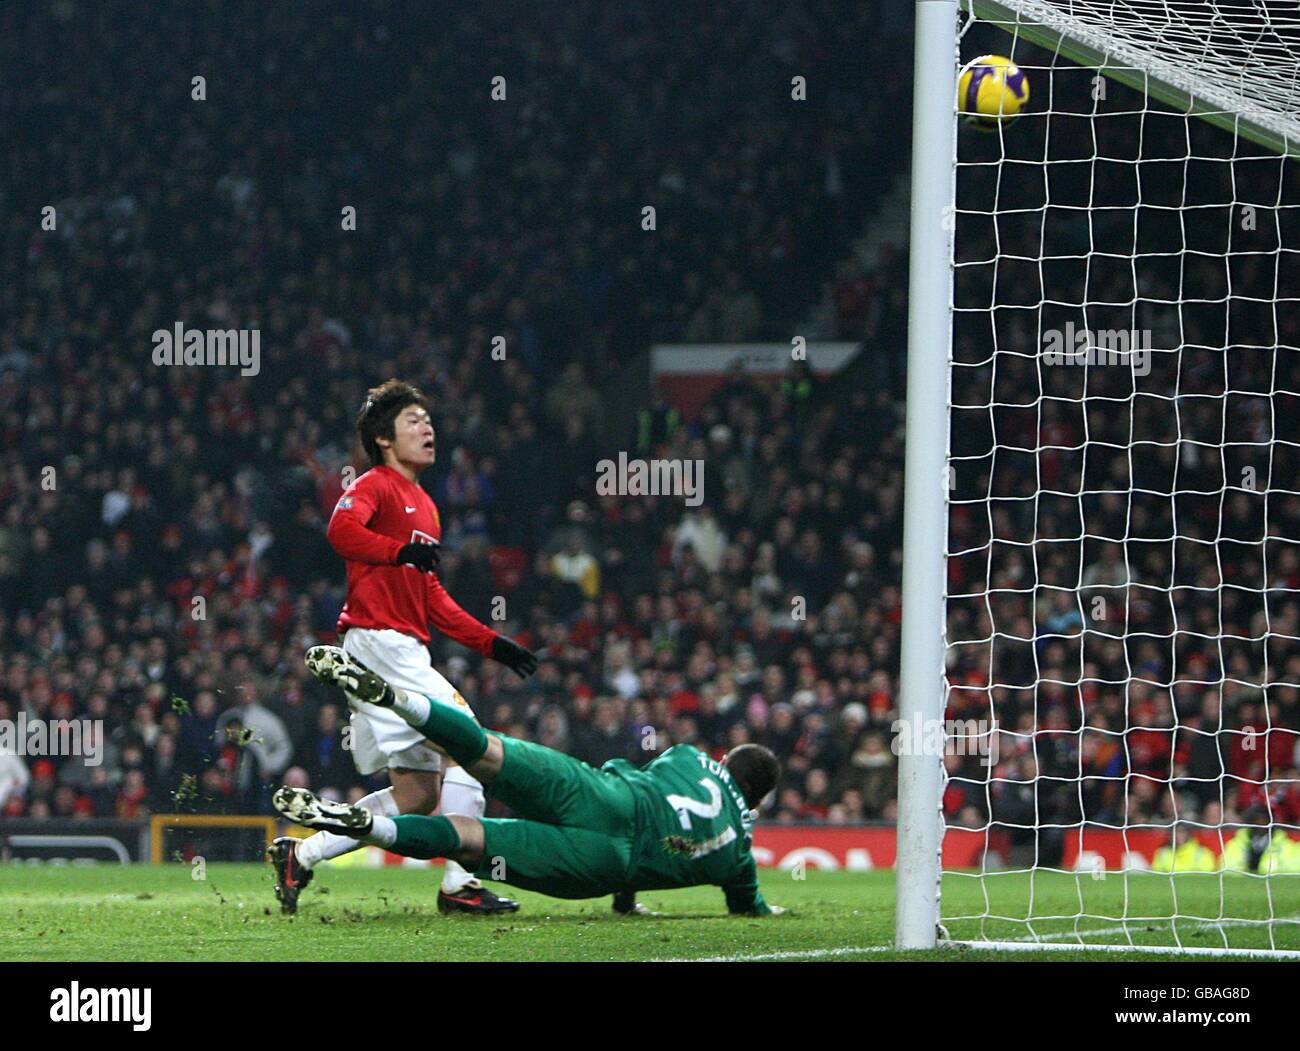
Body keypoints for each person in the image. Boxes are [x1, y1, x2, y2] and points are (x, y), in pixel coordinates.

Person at [268, 379, 538, 915]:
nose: (427, 427)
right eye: (413, 420)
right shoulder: (376, 484)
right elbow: (340, 532)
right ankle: (461, 886)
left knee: (417, 794)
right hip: (380, 645)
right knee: (472, 749)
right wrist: (396, 554)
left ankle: (304, 853)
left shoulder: (426, 505)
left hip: (397, 648)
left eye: (428, 419)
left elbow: (430, 592)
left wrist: (490, 643)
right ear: (384, 438)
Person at [275, 645, 785, 915]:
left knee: (483, 749)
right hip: (606, 863)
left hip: (606, 795)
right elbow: (751, 905)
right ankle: (368, 826)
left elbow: (657, 786)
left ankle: (396, 699)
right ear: (756, 799)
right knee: (468, 838)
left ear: (726, 759)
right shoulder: (739, 848)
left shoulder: (691, 759)